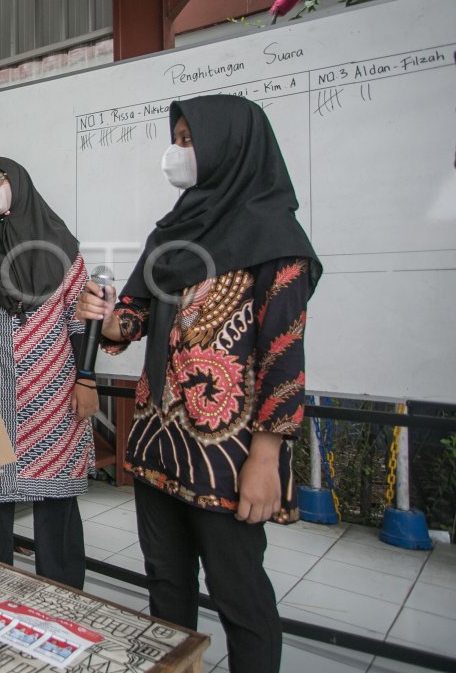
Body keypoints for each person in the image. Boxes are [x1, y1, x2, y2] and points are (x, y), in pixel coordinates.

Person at [75, 95, 321, 673]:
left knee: (240, 597)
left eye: (190, 141)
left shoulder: (276, 240)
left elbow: (284, 356)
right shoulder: (172, 233)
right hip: (157, 442)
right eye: (178, 138)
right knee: (165, 583)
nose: (177, 153)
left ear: (228, 147)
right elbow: (129, 320)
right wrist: (106, 315)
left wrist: (267, 456)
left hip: (228, 454)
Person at [0, 157, 98, 588]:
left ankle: (65, 598)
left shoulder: (63, 250)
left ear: (21, 184)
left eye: (0, 180)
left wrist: (87, 380)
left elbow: (81, 321)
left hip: (55, 392)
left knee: (57, 502)